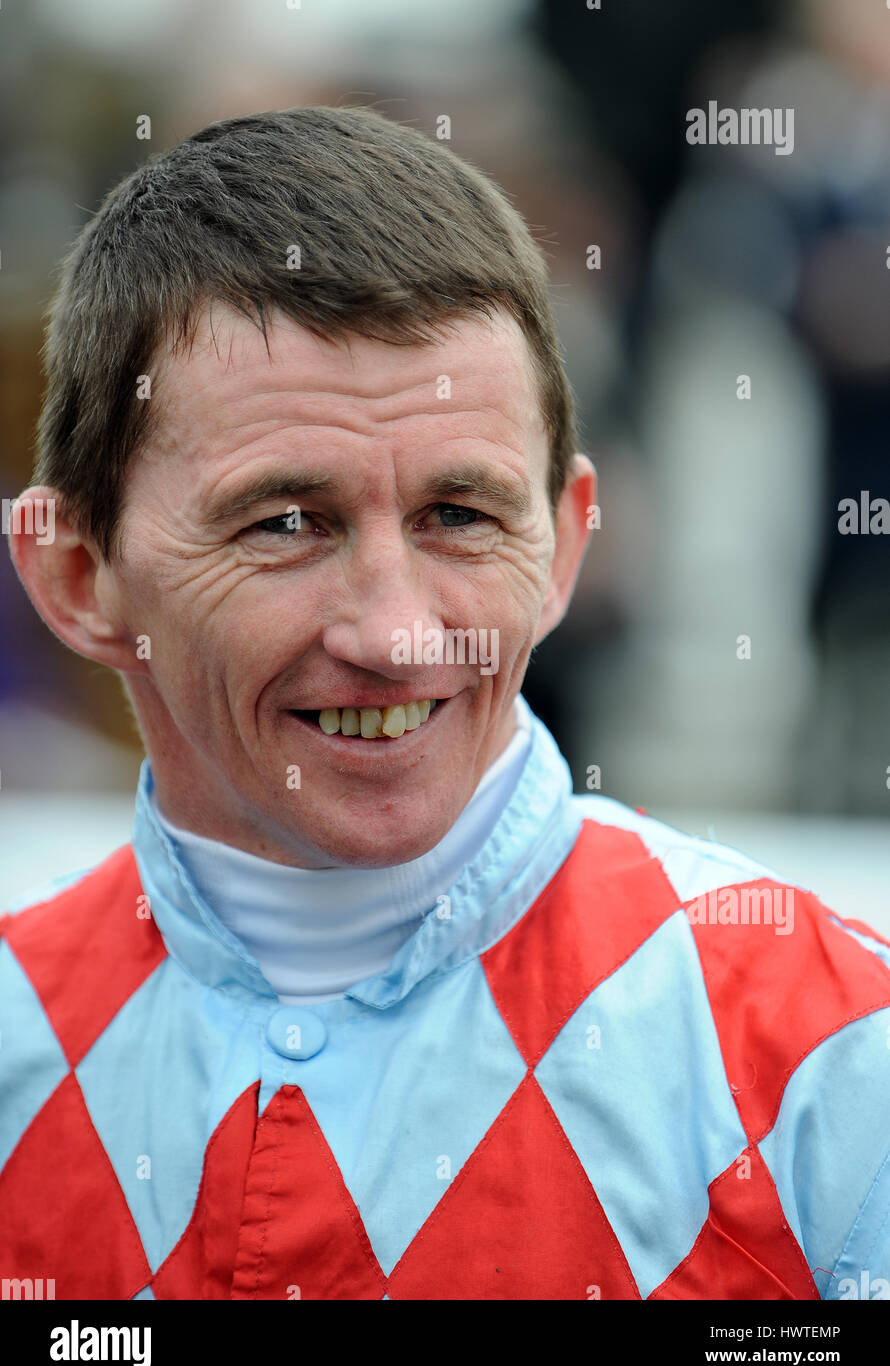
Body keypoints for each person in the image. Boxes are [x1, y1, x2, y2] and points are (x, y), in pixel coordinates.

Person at [1, 106, 888, 1302]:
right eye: (286, 523)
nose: (400, 632)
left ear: (565, 545)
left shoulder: (836, 1057)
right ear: (77, 576)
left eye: (459, 516)